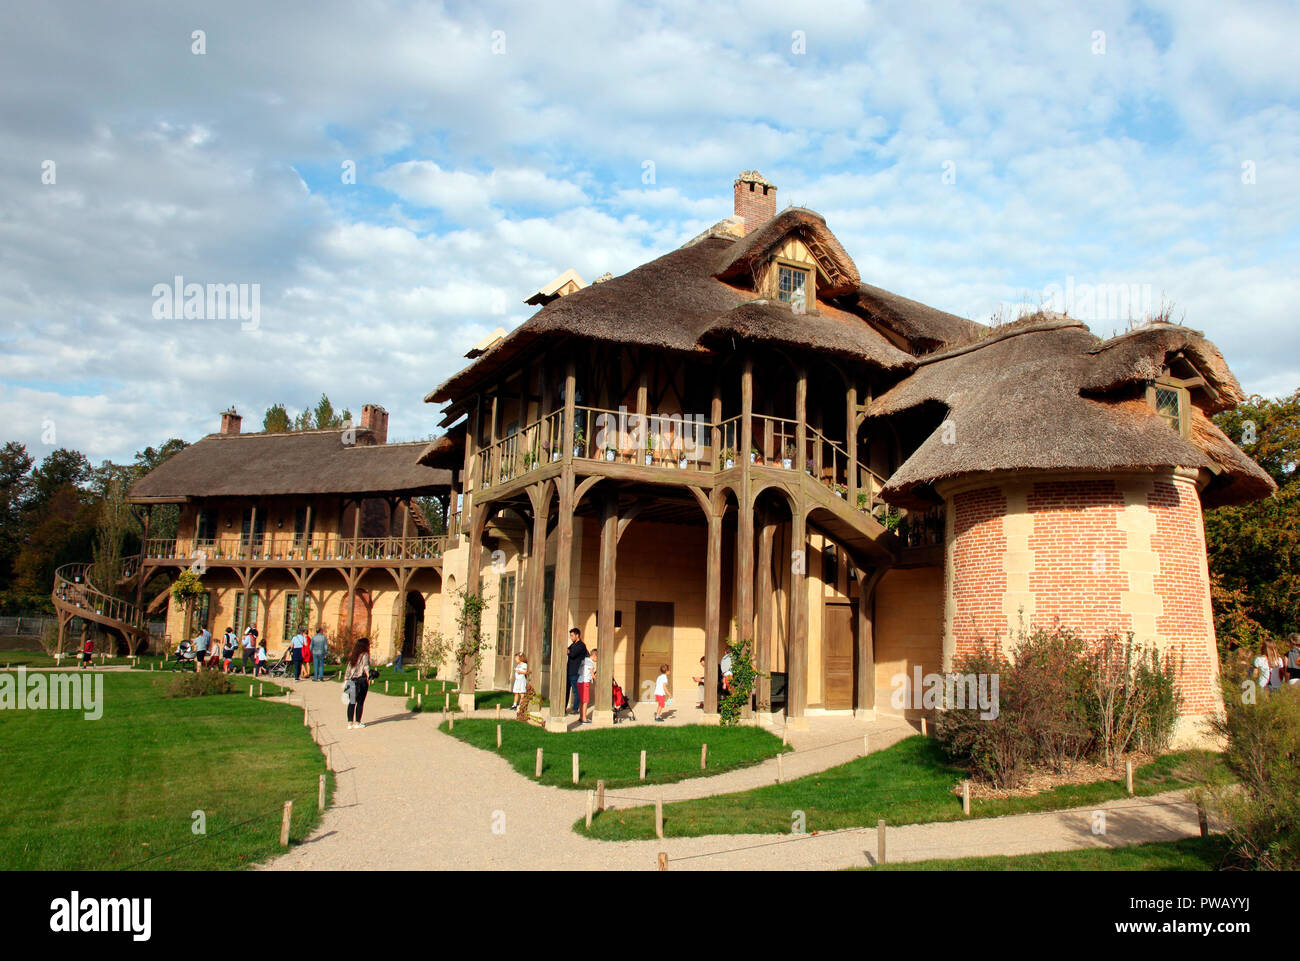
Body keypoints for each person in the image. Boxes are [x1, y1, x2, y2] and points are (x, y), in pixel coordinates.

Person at [344, 637, 372, 730]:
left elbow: (348, 667)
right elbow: (366, 666)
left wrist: (346, 679)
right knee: (360, 702)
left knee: (351, 702)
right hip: (361, 680)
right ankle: (357, 722)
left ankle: (349, 723)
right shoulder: (365, 655)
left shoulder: (353, 654)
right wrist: (369, 676)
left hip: (351, 680)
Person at [565, 628, 588, 715]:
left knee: (576, 691)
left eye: (572, 635)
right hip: (569, 671)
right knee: (566, 691)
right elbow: (568, 650)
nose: (571, 637)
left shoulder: (581, 645)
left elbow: (572, 654)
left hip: (575, 672)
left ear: (577, 635)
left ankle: (575, 708)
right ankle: (563, 707)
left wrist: (567, 651)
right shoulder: (573, 644)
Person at [578, 647, 596, 724]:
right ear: (595, 656)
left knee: (582, 701)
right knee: (585, 701)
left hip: (579, 681)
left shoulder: (584, 661)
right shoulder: (590, 663)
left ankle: (581, 716)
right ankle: (584, 718)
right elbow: (593, 675)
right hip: (584, 682)